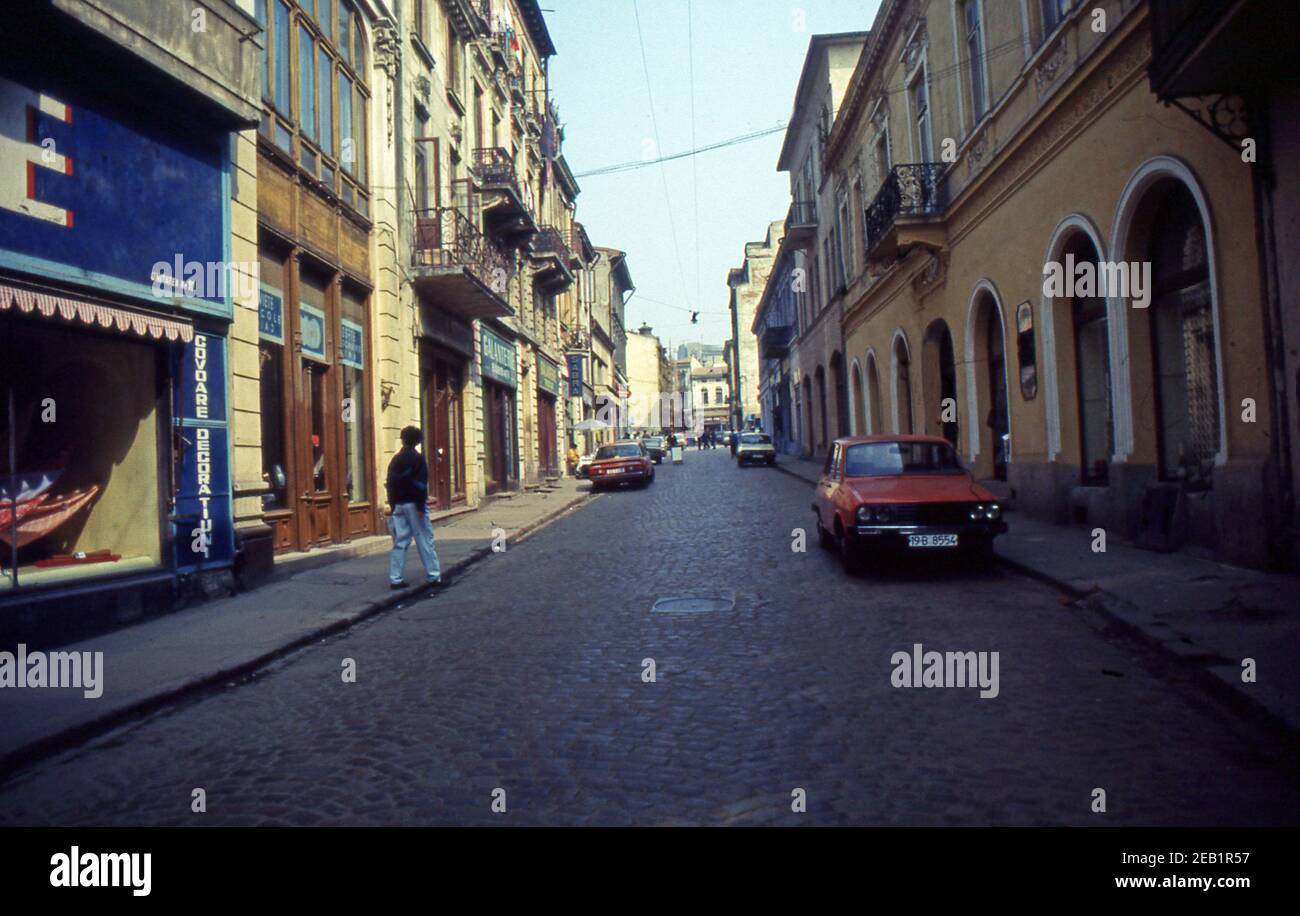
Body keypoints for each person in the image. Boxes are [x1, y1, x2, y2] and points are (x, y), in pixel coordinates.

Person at [385, 425, 440, 589]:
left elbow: (390, 484)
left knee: (400, 542)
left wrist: (393, 505)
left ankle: (396, 579)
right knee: (424, 539)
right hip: (414, 505)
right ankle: (433, 576)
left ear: (403, 439)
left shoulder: (396, 459)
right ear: (418, 441)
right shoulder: (417, 458)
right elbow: (420, 485)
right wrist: (421, 508)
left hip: (399, 505)